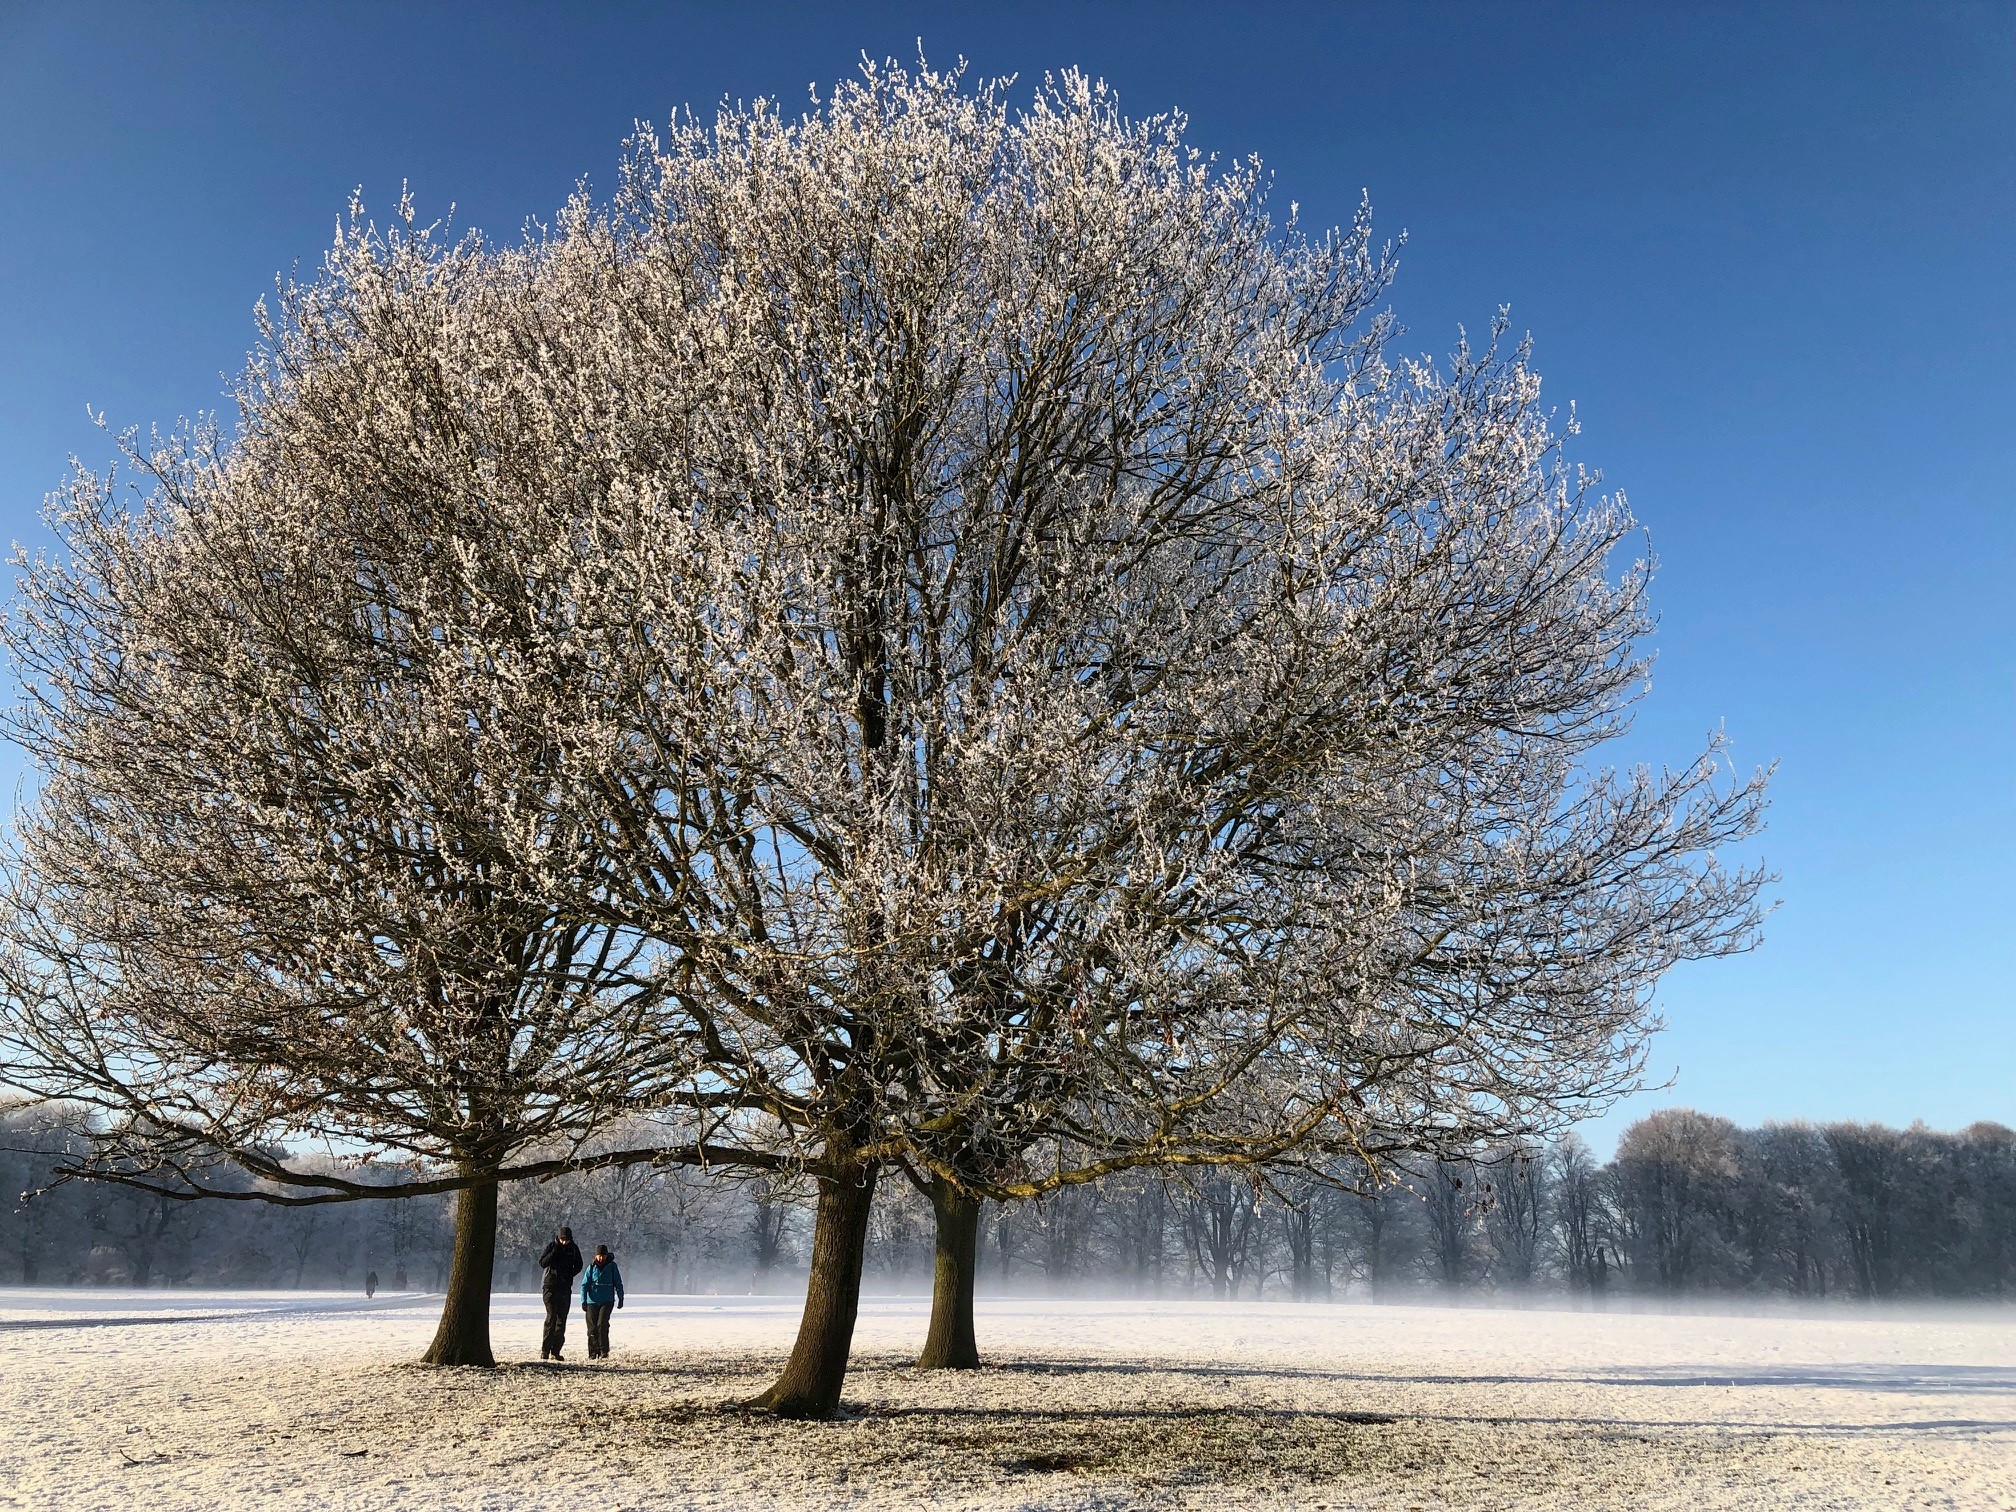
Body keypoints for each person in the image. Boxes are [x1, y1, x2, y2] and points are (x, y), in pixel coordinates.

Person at [538, 1226, 583, 1360]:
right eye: (563, 1239)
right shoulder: (552, 1246)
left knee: (561, 1320)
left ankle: (556, 1350)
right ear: (559, 1238)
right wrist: (555, 1251)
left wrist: (570, 1275)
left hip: (565, 1288)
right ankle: (545, 1350)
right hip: (550, 1287)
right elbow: (542, 1262)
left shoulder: (574, 1248)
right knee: (551, 1317)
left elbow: (579, 1265)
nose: (565, 1242)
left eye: (567, 1240)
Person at [580, 1243, 625, 1361]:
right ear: (595, 1256)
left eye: (603, 1256)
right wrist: (583, 1300)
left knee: (602, 1325)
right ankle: (592, 1352)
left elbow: (618, 1283)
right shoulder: (591, 1267)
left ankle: (604, 1351)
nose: (601, 1258)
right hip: (592, 1301)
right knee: (592, 1328)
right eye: (599, 1256)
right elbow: (584, 1285)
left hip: (607, 1300)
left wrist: (621, 1298)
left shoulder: (612, 1267)